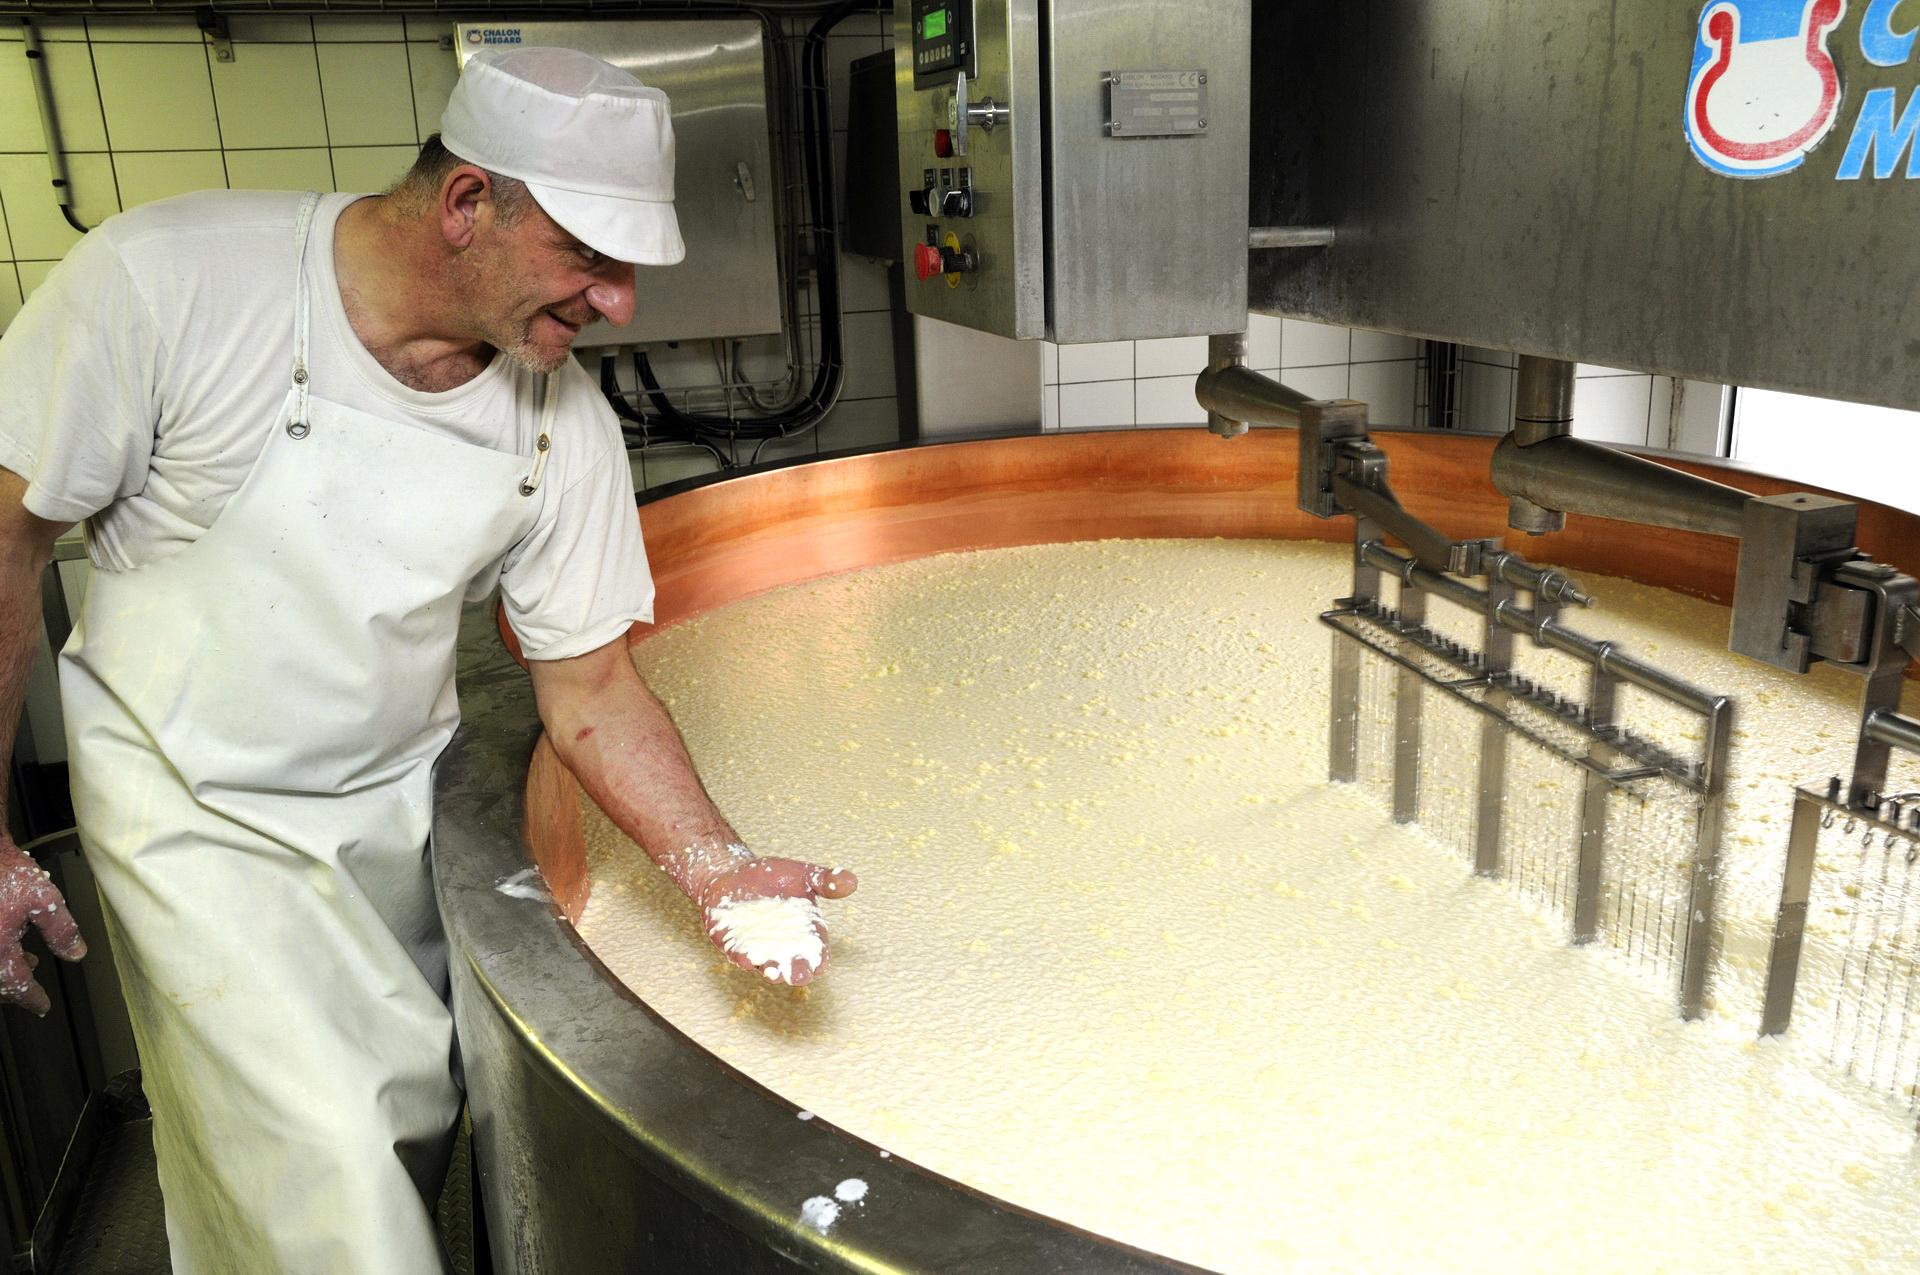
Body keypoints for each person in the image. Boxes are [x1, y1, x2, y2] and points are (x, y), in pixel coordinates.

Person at [0, 45, 855, 1272]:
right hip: (197, 825)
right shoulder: (168, 284)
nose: (619, 303)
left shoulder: (563, 423)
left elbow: (594, 685)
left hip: (397, 816)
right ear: (468, 204)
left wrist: (714, 868)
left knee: (403, 1134)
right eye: (592, 259)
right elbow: (6, 542)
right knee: (332, 1183)